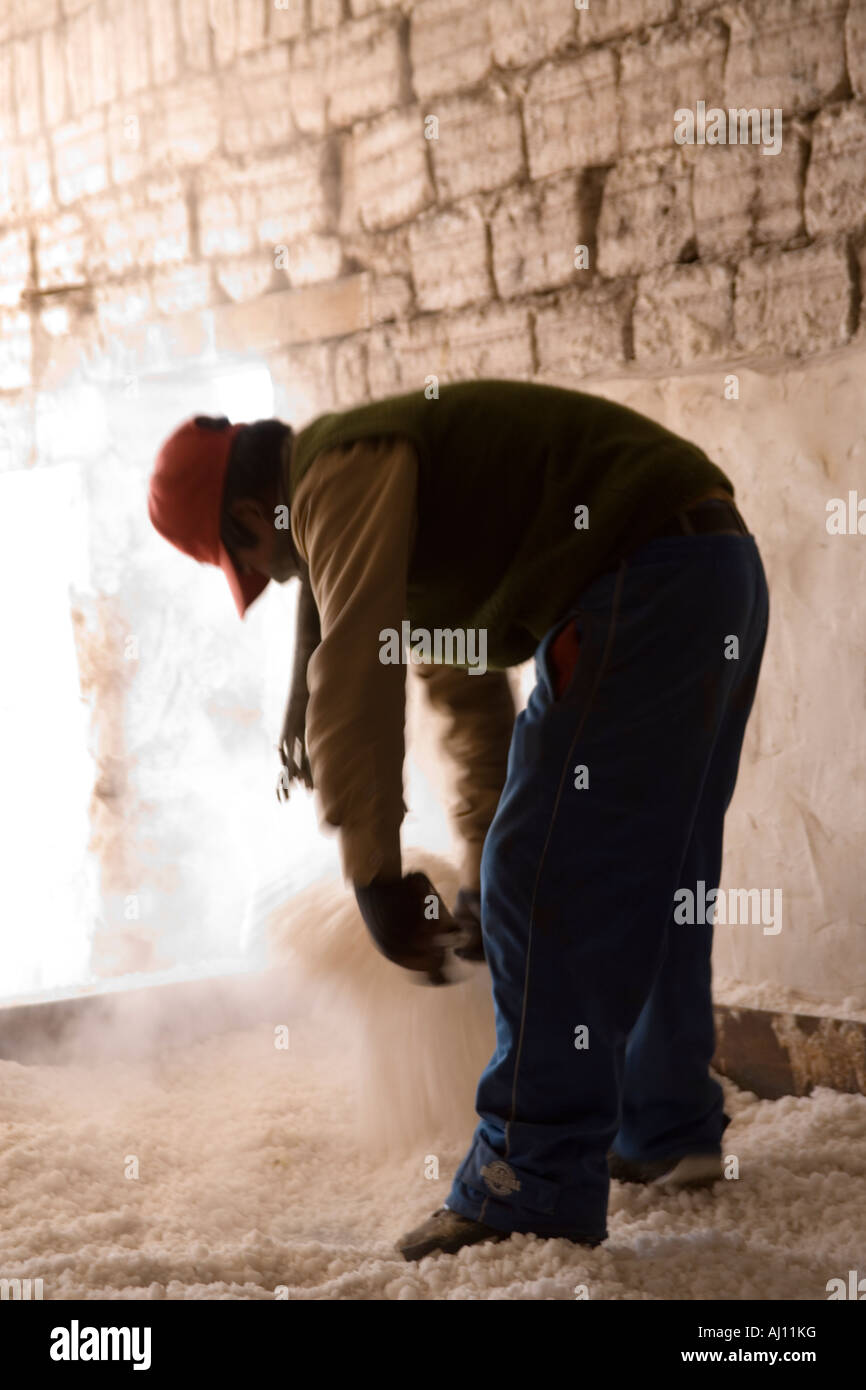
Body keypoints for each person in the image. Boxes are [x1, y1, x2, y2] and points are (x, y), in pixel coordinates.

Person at [148, 378, 769, 1260]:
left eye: (258, 558)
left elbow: (354, 665)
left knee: (540, 871)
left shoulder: (338, 469)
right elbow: (467, 692)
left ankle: (529, 1180)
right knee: (658, 866)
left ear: (256, 510)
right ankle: (668, 1129)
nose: (280, 578)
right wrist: (476, 868)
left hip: (639, 577)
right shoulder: (398, 483)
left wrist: (373, 875)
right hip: (713, 570)